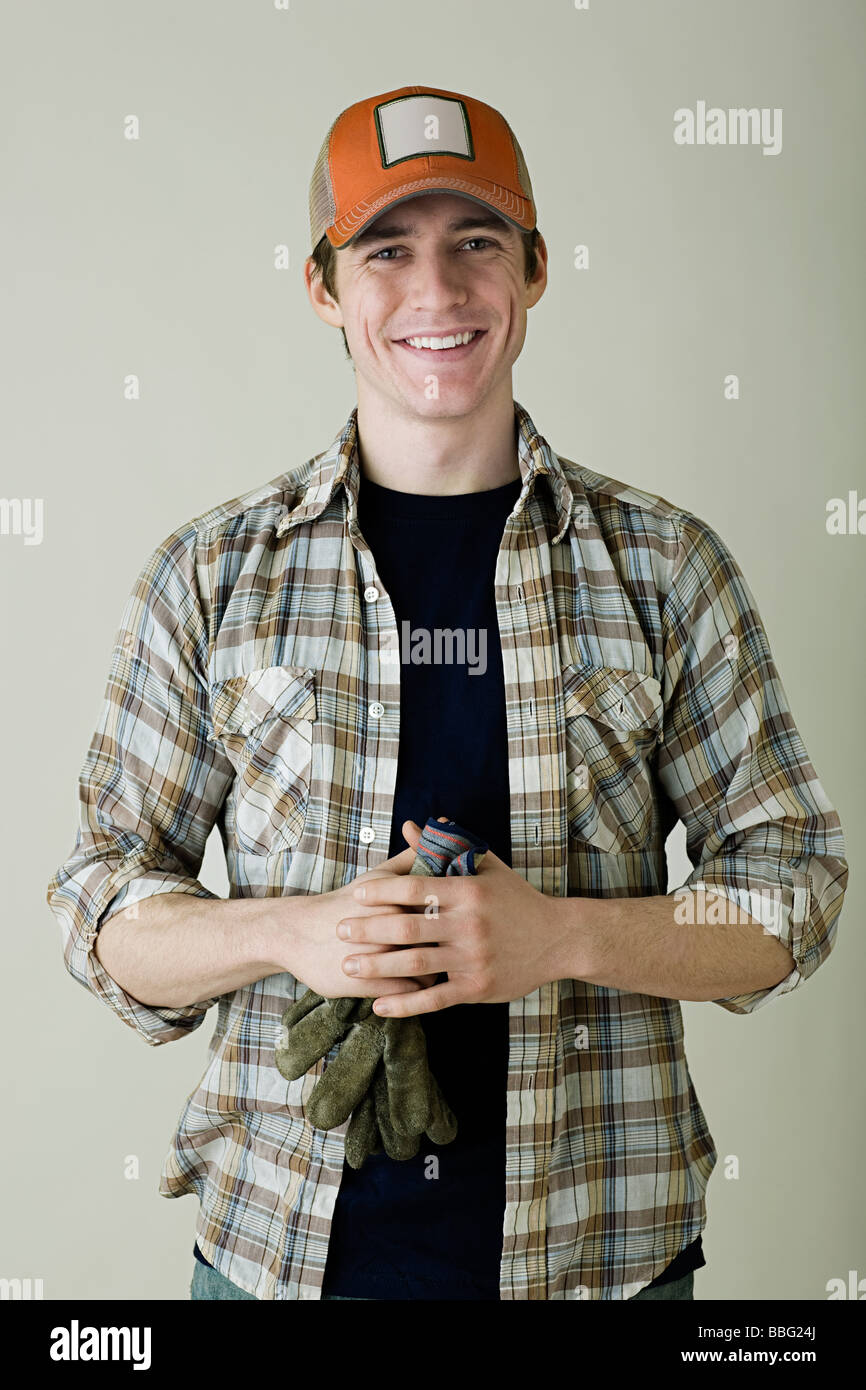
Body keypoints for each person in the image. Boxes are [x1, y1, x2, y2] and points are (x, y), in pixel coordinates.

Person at [46, 83, 848, 1302]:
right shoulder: (210, 574)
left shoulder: (665, 567)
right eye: (386, 249)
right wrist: (292, 932)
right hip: (272, 1266)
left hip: (602, 1265)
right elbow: (98, 906)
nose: (436, 291)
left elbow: (793, 896)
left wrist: (558, 936)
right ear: (323, 285)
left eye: (476, 242)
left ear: (533, 270)